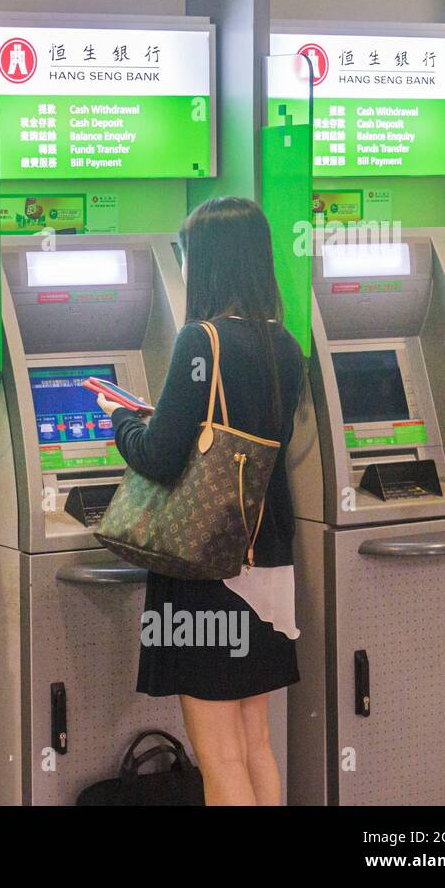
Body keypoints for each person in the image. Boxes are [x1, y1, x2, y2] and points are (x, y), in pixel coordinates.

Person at [96, 196, 306, 806]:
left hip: (207, 567)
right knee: (255, 746)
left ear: (207, 262)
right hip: (266, 562)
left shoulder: (201, 340)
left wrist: (121, 421)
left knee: (217, 759)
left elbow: (160, 456)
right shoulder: (284, 344)